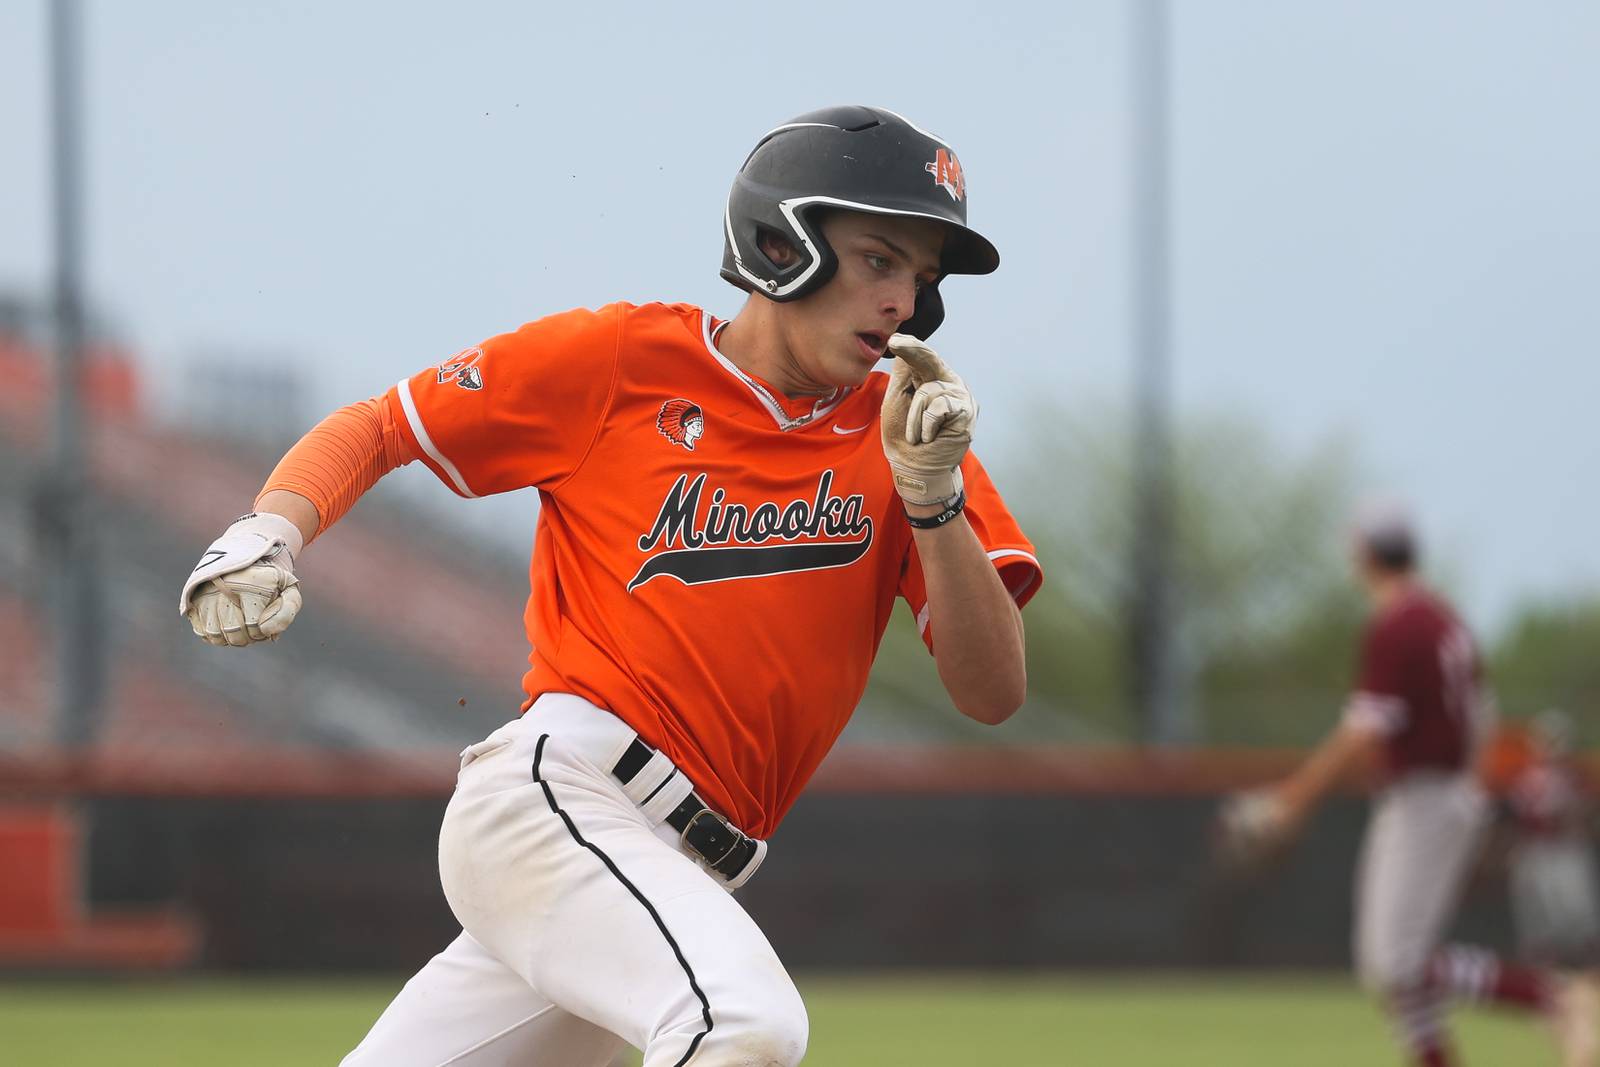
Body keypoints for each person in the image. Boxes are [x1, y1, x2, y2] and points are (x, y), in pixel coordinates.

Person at [178, 105, 1041, 1067]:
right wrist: (269, 529)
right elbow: (385, 424)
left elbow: (991, 691)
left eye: (920, 279)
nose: (902, 301)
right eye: (879, 260)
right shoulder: (625, 360)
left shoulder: (911, 441)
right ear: (779, 241)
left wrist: (934, 501)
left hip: (669, 873)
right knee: (740, 1023)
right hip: (562, 797)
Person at [1222, 502, 1595, 1067]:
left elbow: (1363, 730)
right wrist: (1469, 789)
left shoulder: (1399, 625)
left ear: (1365, 556)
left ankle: (1552, 997)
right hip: (1445, 790)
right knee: (1396, 970)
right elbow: (1482, 714)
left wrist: (1294, 797)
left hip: (1425, 795)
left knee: (1396, 963)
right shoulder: (1445, 620)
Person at [1483, 710, 1600, 976]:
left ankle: (1590, 973)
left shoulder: (1576, 774)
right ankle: (1542, 978)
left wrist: (1577, 815)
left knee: (1578, 914)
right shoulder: (1522, 773)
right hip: (1532, 848)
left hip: (1566, 847)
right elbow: (1505, 813)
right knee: (1536, 918)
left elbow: (1586, 810)